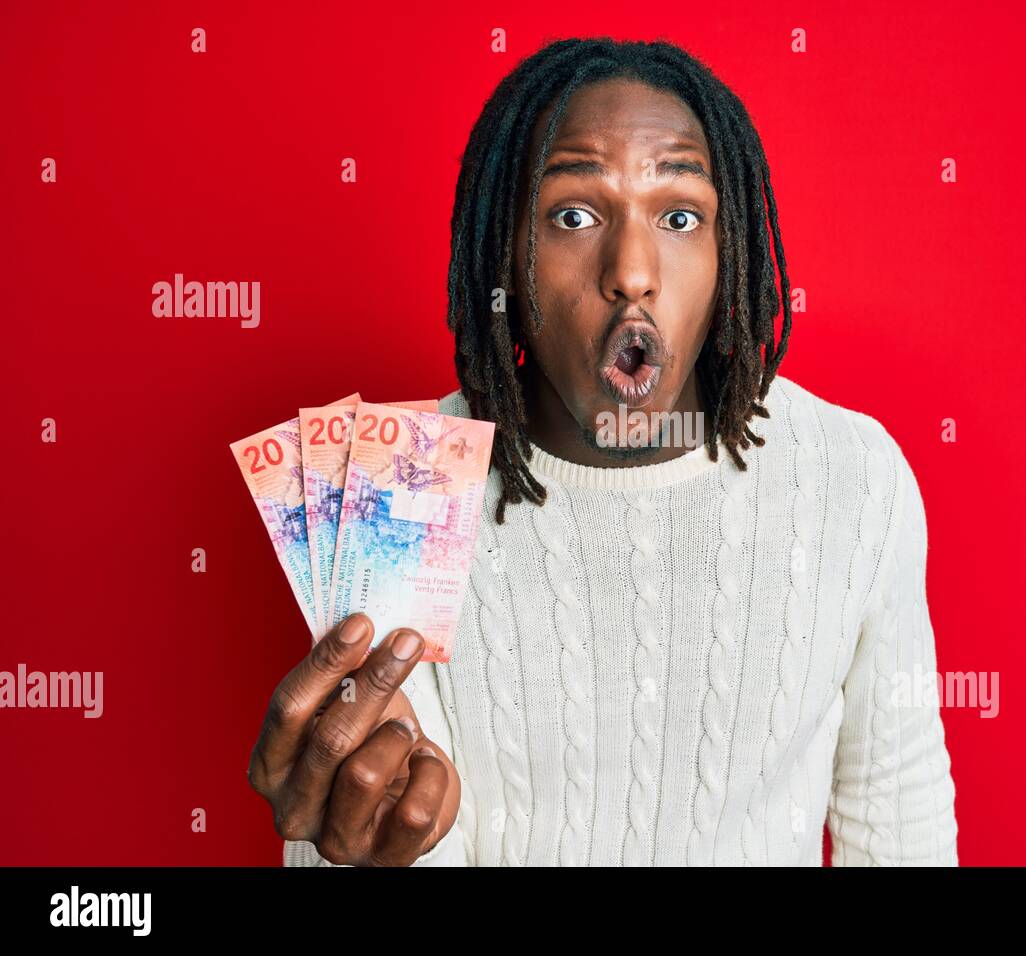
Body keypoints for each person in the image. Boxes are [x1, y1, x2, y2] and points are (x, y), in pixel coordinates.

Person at [249, 36, 958, 867]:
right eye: (573, 216)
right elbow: (374, 818)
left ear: (729, 257)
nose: (632, 271)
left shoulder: (852, 477)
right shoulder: (392, 490)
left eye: (680, 216)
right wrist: (359, 850)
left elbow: (900, 823)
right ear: (503, 256)